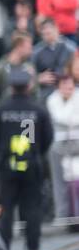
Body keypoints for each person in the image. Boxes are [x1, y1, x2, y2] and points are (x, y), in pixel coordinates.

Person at [0, 67, 53, 250]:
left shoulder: (0, 110)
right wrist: (37, 153)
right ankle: (33, 249)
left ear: (11, 87)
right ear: (29, 85)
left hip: (6, 167)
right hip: (31, 165)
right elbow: (48, 137)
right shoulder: (38, 110)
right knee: (32, 209)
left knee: (5, 211)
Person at [46, 72, 79, 220]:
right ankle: (63, 216)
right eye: (64, 86)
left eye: (70, 86)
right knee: (59, 183)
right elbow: (62, 118)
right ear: (58, 87)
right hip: (58, 147)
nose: (68, 89)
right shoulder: (51, 100)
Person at [32, 16, 76, 99]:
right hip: (46, 90)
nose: (47, 36)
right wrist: (38, 78)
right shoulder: (36, 51)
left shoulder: (70, 48)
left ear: (56, 29)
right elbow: (30, 71)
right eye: (44, 34)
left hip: (68, 88)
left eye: (49, 32)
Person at [0, 32, 37, 101]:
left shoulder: (29, 68)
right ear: (19, 46)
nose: (31, 51)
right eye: (29, 47)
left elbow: (36, 97)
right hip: (5, 110)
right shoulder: (0, 68)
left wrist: (33, 84)